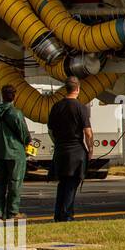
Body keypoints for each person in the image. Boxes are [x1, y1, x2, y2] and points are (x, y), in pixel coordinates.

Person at [47, 77, 92, 222]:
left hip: (60, 150)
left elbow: (51, 130)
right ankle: (67, 214)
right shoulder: (80, 107)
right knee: (72, 184)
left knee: (63, 183)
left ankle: (58, 214)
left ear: (66, 89)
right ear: (78, 89)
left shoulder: (56, 106)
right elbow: (87, 132)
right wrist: (90, 149)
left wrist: (58, 142)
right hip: (76, 151)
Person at [0, 84, 31, 218]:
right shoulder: (15, 112)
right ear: (15, 96)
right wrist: (28, 142)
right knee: (15, 181)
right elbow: (23, 133)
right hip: (14, 151)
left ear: (2, 96)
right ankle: (13, 211)